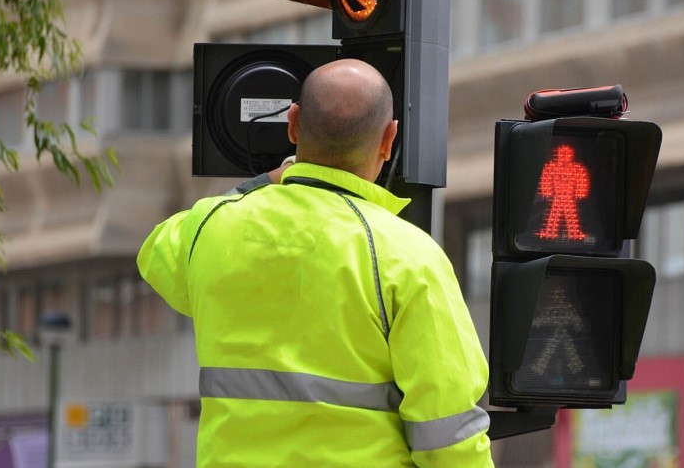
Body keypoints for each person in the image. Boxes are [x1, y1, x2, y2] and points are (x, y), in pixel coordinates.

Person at [137, 59, 493, 467]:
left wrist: (262, 182)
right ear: (389, 139)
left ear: (292, 123)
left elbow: (154, 255)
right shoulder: (409, 255)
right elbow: (449, 434)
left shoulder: (212, 226)